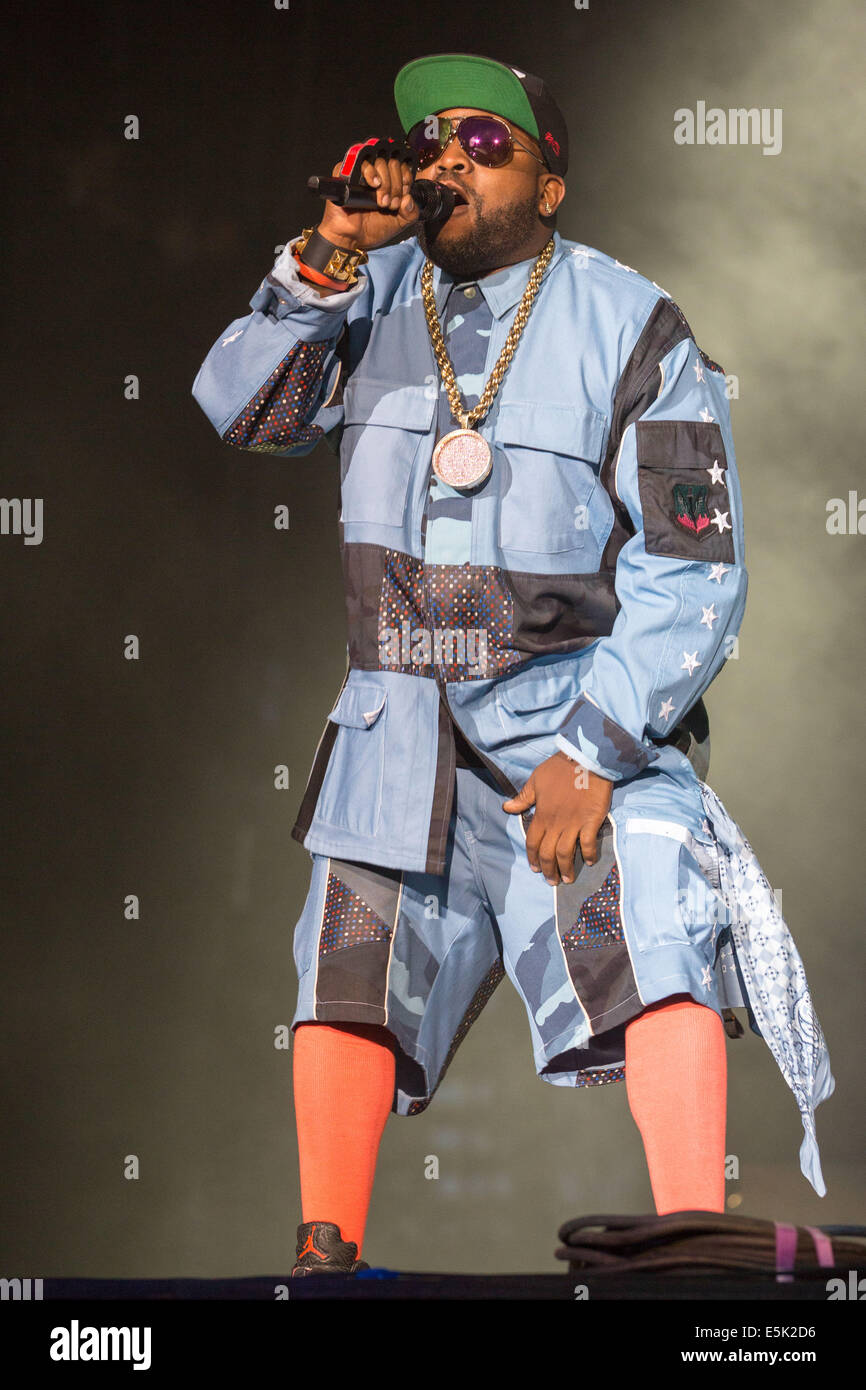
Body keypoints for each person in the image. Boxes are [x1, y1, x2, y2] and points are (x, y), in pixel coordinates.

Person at [192, 52, 833, 1277]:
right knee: (345, 949)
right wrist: (327, 251)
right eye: (430, 139)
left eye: (484, 140)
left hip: (570, 728)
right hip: (401, 726)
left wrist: (595, 752)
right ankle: (326, 1253)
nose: (444, 158)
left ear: (549, 184)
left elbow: (695, 567)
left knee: (653, 885)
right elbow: (244, 413)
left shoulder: (633, 323)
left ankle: (690, 1246)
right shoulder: (367, 292)